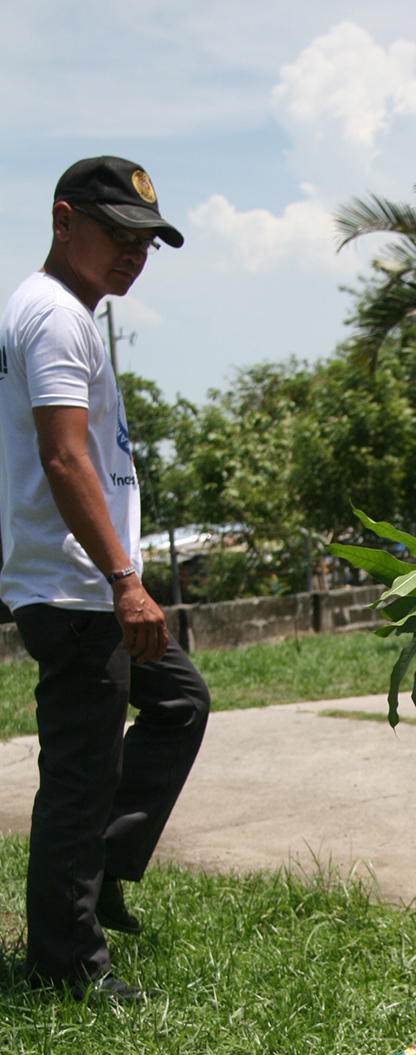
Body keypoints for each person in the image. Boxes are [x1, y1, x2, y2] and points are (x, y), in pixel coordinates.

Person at [0, 156, 209, 999]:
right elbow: (62, 454)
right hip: (78, 589)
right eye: (117, 233)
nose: (133, 252)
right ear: (64, 220)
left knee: (179, 702)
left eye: (145, 241)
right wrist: (124, 578)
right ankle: (66, 964)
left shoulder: (71, 312)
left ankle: (107, 864)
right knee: (79, 778)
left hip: (90, 587)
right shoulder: (52, 315)